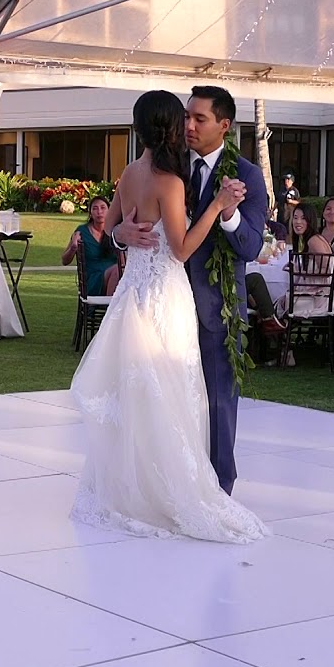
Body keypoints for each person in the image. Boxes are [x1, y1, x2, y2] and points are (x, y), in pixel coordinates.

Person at [80, 87, 268, 543]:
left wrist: (227, 213)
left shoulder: (244, 174)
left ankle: (216, 487)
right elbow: (142, 237)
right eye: (185, 117)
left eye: (199, 118)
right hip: (166, 299)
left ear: (224, 124)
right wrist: (122, 234)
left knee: (212, 401)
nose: (190, 125)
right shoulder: (168, 170)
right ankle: (167, 491)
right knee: (162, 398)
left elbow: (251, 246)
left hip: (206, 303)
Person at [62, 195, 120, 296]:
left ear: (109, 211)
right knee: (117, 270)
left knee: (122, 271)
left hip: (115, 278)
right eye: (95, 208)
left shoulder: (115, 230)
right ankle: (111, 305)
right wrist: (73, 247)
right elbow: (65, 261)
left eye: (103, 208)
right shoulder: (82, 231)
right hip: (92, 280)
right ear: (90, 213)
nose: (99, 212)